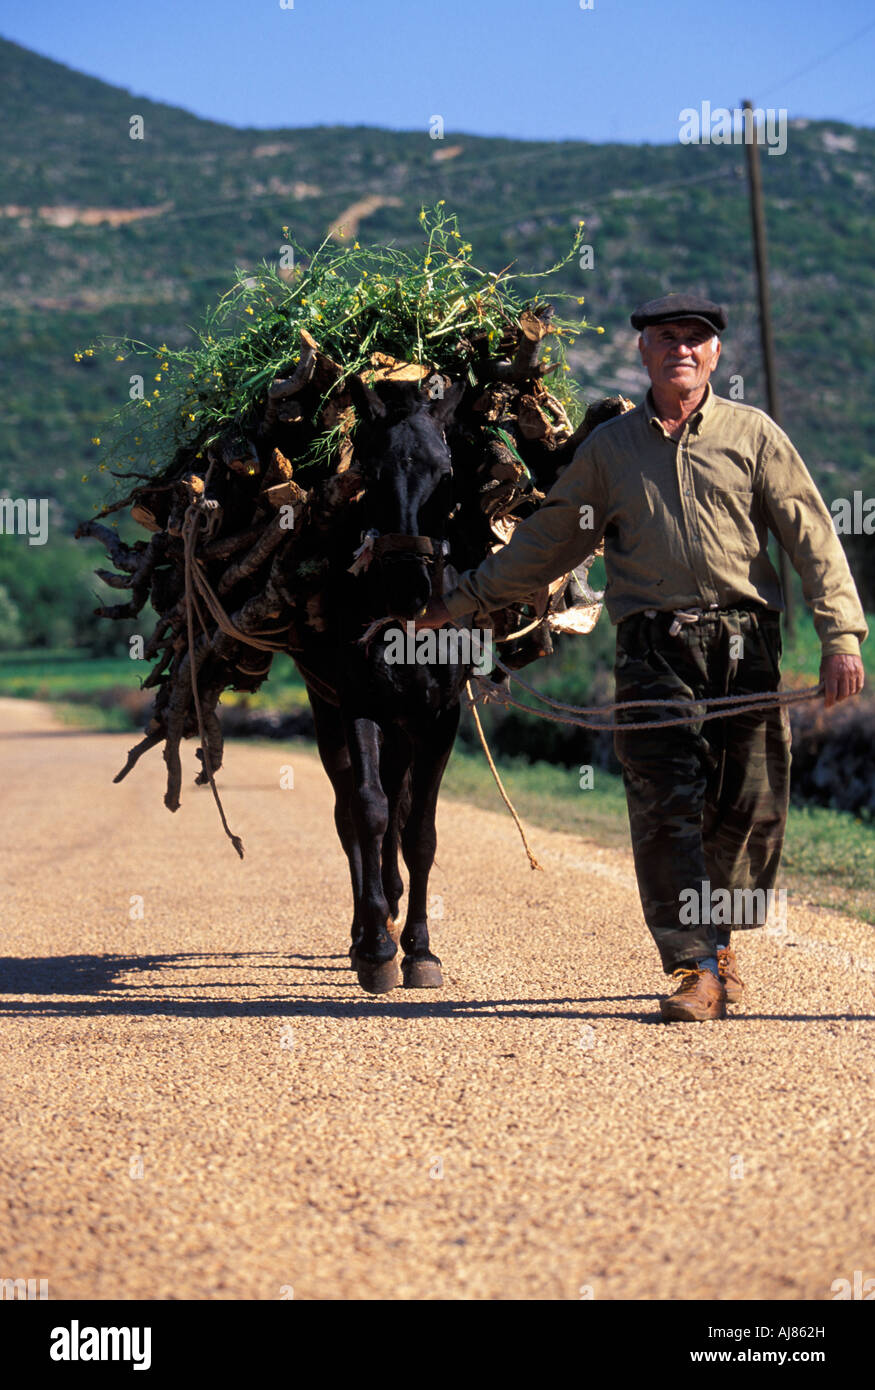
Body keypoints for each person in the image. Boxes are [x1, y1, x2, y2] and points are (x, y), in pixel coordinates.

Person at [415, 292, 867, 1021]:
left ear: (714, 353)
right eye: (666, 337)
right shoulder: (610, 451)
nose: (680, 349)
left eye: (695, 338)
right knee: (664, 803)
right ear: (643, 351)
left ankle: (719, 946)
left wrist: (840, 635)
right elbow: (547, 542)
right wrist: (458, 603)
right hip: (652, 648)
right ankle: (694, 963)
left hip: (746, 645)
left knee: (746, 804)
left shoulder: (754, 436)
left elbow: (811, 538)